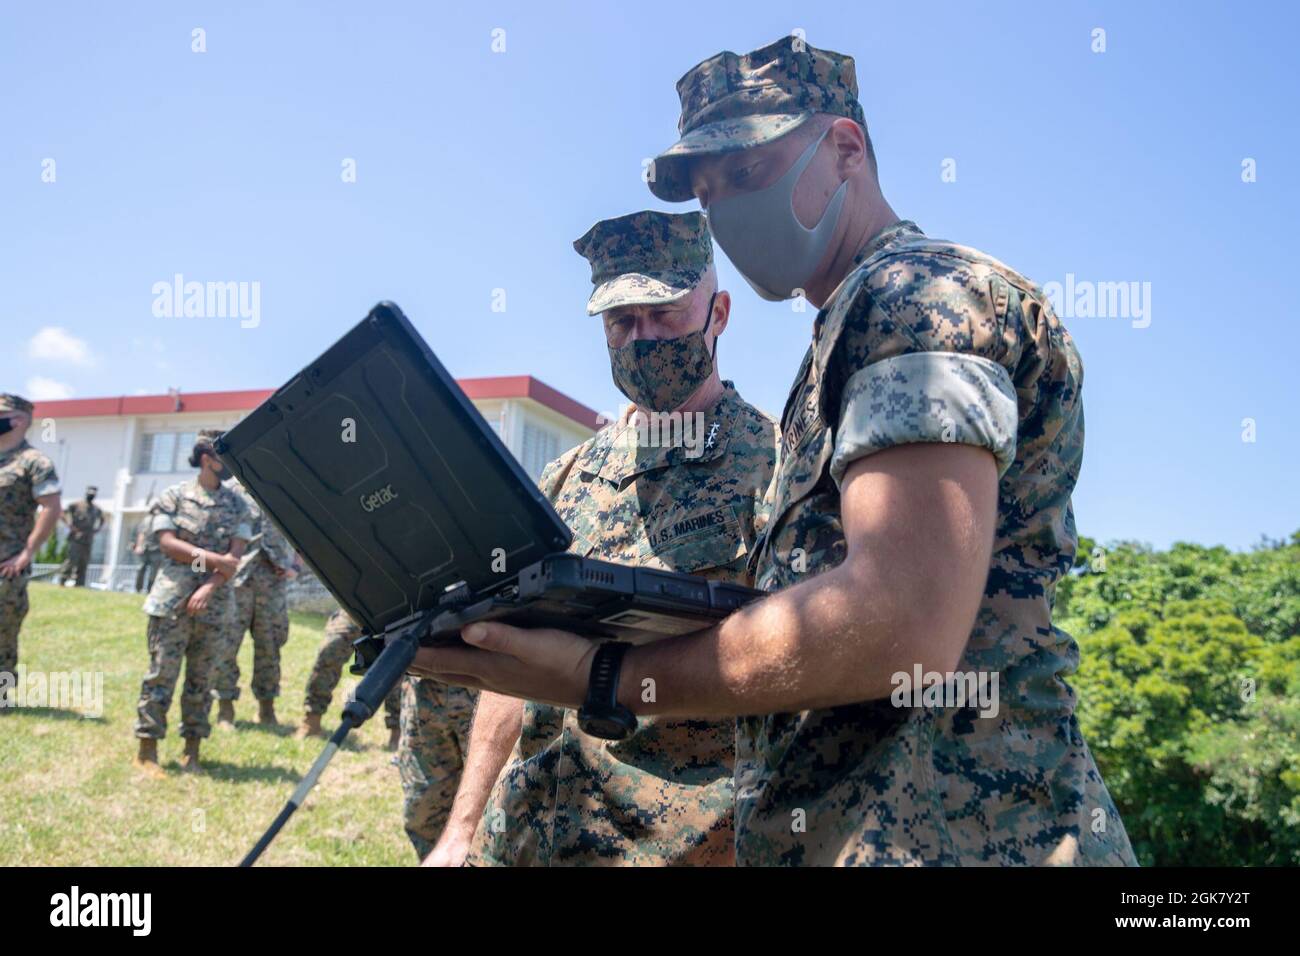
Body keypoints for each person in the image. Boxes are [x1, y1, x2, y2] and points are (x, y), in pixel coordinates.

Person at [412, 37, 1137, 867]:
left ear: (845, 149)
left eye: (748, 174)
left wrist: (608, 677)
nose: (726, 211)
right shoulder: (846, 331)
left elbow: (899, 624)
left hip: (968, 836)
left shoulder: (913, 298)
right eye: (709, 193)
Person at [423, 210, 778, 867]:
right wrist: (462, 829)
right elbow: (512, 666)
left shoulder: (778, 470)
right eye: (621, 322)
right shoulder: (566, 477)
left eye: (663, 313)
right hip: (524, 841)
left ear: (719, 313)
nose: (642, 338)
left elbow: (804, 675)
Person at [133, 431, 250, 775]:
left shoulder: (238, 504)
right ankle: (147, 750)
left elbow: (235, 557)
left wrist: (209, 585)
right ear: (205, 458)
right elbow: (168, 545)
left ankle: (192, 752)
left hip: (214, 605)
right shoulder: (174, 497)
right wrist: (213, 560)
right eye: (221, 457)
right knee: (160, 676)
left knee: (202, 680)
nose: (227, 465)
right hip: (172, 602)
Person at [211, 480, 297, 728]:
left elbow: (302, 528)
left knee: (270, 647)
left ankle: (266, 709)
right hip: (237, 580)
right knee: (227, 645)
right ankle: (225, 708)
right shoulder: (228, 490)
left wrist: (296, 565)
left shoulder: (282, 485)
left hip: (273, 580)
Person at [0, 394, 61, 708]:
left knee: (3, 633)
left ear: (19, 420)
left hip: (6, 563)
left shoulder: (35, 462)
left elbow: (51, 508)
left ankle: (2, 697)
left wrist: (27, 553)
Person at [296, 606, 401, 746]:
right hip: (356, 609)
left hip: (396, 611)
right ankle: (312, 720)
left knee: (398, 661)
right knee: (330, 649)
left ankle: (397, 733)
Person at [57, 485, 104, 587]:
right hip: (76, 538)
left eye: (93, 495)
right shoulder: (76, 505)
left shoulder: (96, 509)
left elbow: (102, 520)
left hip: (88, 539)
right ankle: (62, 580)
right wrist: (70, 525)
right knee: (71, 560)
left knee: (84, 562)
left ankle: (79, 584)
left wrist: (97, 530)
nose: (91, 496)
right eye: (89, 494)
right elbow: (62, 514)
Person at [133, 512, 161, 594]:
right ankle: (138, 589)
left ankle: (150, 590)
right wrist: (139, 546)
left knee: (154, 572)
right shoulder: (146, 520)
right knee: (140, 568)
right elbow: (141, 534)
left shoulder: (162, 520)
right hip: (145, 548)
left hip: (157, 550)